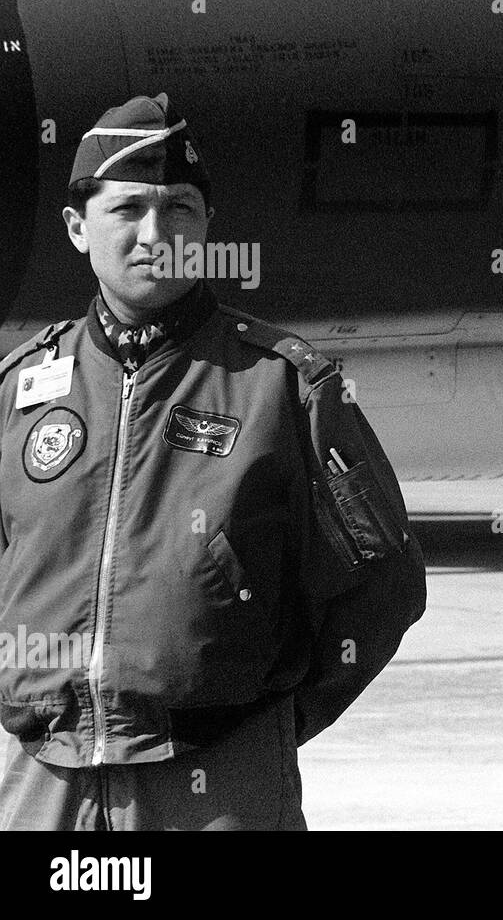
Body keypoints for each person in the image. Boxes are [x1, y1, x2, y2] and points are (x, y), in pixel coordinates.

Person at [0, 92, 427, 830]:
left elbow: (384, 581)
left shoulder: (283, 387)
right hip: (42, 778)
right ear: (78, 227)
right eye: (127, 209)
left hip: (216, 781)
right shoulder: (19, 391)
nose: (154, 234)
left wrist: (277, 721)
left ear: (206, 230)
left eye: (180, 210)